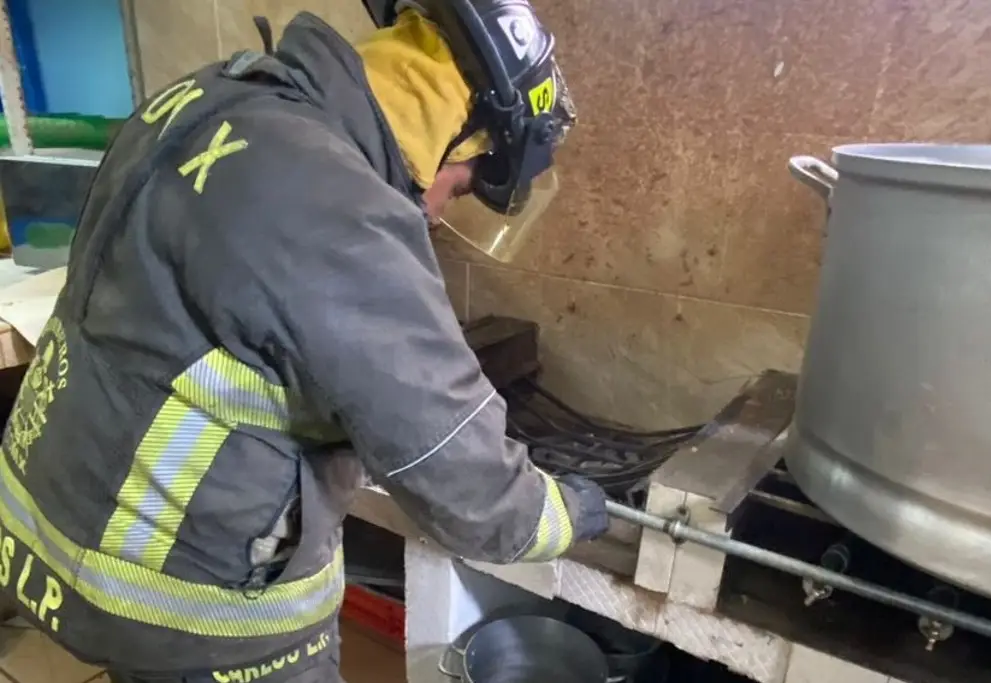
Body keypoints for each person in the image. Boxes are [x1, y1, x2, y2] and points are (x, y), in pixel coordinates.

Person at [0, 0, 609, 681]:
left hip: (57, 517)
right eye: (459, 185)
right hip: (194, 608)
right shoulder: (336, 203)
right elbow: (468, 485)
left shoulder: (210, 94)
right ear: (449, 135)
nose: (436, 213)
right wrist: (564, 512)